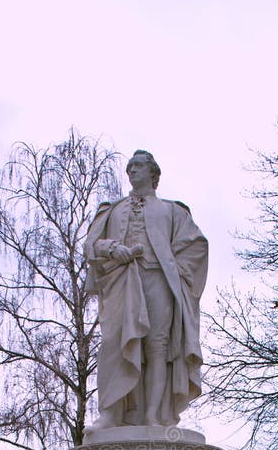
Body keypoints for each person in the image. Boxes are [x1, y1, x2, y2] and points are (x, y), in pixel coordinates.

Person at [85, 150, 208, 428]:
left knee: (157, 347)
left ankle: (154, 415)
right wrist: (114, 249)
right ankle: (111, 413)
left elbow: (196, 246)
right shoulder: (112, 210)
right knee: (115, 342)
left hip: (158, 280)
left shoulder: (172, 211)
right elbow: (92, 244)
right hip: (123, 281)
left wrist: (175, 270)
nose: (132, 171)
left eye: (138, 166)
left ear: (154, 174)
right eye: (129, 167)